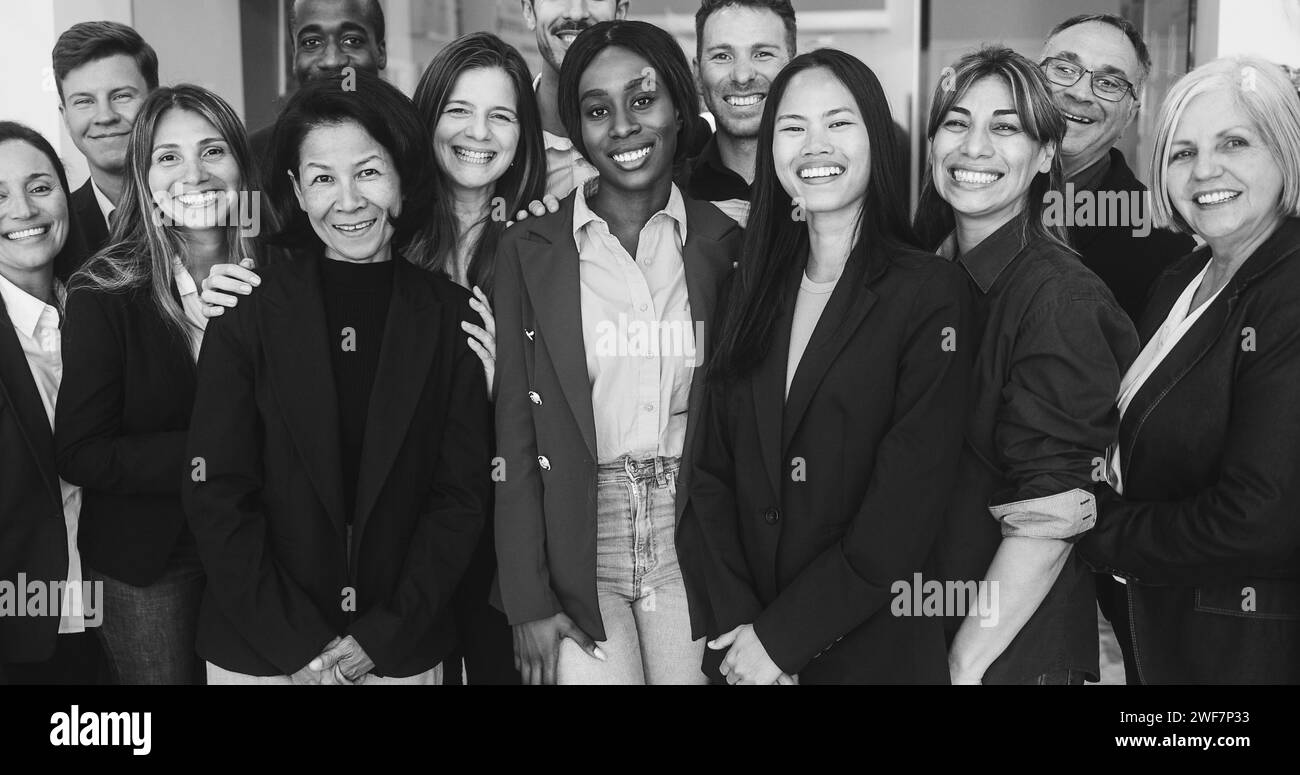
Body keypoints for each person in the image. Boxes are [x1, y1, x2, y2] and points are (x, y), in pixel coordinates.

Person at [183, 70, 490, 685]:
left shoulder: (452, 316)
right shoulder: (245, 310)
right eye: (323, 178)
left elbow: (459, 499)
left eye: (368, 172)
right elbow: (217, 493)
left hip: (399, 651)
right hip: (260, 653)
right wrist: (300, 645)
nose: (348, 200)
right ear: (296, 191)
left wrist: (378, 639)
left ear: (403, 176)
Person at [689, 49, 972, 685]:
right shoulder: (750, 286)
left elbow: (903, 510)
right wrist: (743, 628)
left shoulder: (930, 294)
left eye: (839, 123)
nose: (815, 145)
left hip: (870, 652)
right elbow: (710, 470)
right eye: (792, 127)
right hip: (747, 654)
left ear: (876, 137)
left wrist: (782, 643)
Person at [494, 20, 741, 684]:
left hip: (689, 527)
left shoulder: (729, 244)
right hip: (577, 527)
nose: (624, 126)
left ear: (681, 107)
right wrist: (527, 597)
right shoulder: (528, 250)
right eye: (597, 110)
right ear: (576, 129)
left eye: (643, 99)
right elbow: (514, 433)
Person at [915, 47, 1139, 685]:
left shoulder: (1060, 299)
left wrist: (958, 666)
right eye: (956, 123)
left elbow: (1050, 518)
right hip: (919, 632)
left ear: (1045, 155)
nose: (974, 146)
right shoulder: (927, 278)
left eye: (1006, 127)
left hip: (1006, 659)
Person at [1078, 57, 1300, 684]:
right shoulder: (1182, 277)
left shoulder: (1290, 288)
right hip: (1161, 638)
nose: (1205, 170)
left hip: (1247, 658)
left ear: (1284, 151)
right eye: (1182, 152)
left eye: (1235, 142)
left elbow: (1262, 519)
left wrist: (1098, 526)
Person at [54, 86, 258, 685]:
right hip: (151, 561)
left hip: (261, 547)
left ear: (242, 165)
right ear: (144, 176)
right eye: (168, 157)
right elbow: (81, 451)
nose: (193, 173)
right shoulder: (104, 290)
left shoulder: (281, 276)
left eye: (213, 150)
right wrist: (215, 452)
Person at [411, 31, 548, 684]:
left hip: (505, 551)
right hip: (404, 546)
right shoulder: (381, 235)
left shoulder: (544, 245)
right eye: (459, 110)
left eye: (501, 114)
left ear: (523, 133)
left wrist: (501, 388)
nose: (479, 132)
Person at [0, 122, 94, 685]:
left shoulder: (101, 308)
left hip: (111, 611)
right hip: (17, 632)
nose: (22, 210)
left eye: (40, 186)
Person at [1039, 13, 1195, 321]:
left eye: (1109, 83)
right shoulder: (973, 190)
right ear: (1031, 79)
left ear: (1131, 113)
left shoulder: (1163, 248)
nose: (1080, 93)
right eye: (1064, 69)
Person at [51, 21, 160, 267]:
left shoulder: (234, 200)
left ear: (157, 101)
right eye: (84, 101)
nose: (105, 116)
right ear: (65, 115)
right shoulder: (53, 230)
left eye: (121, 96)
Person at [679, 0, 796, 227]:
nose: (742, 76)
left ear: (794, 68)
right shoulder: (670, 193)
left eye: (762, 54)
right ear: (698, 76)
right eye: (722, 56)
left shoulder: (827, 184)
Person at [247, 0, 388, 167]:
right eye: (311, 42)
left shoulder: (416, 145)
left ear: (380, 53)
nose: (332, 61)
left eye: (352, 40)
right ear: (294, 57)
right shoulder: (252, 159)